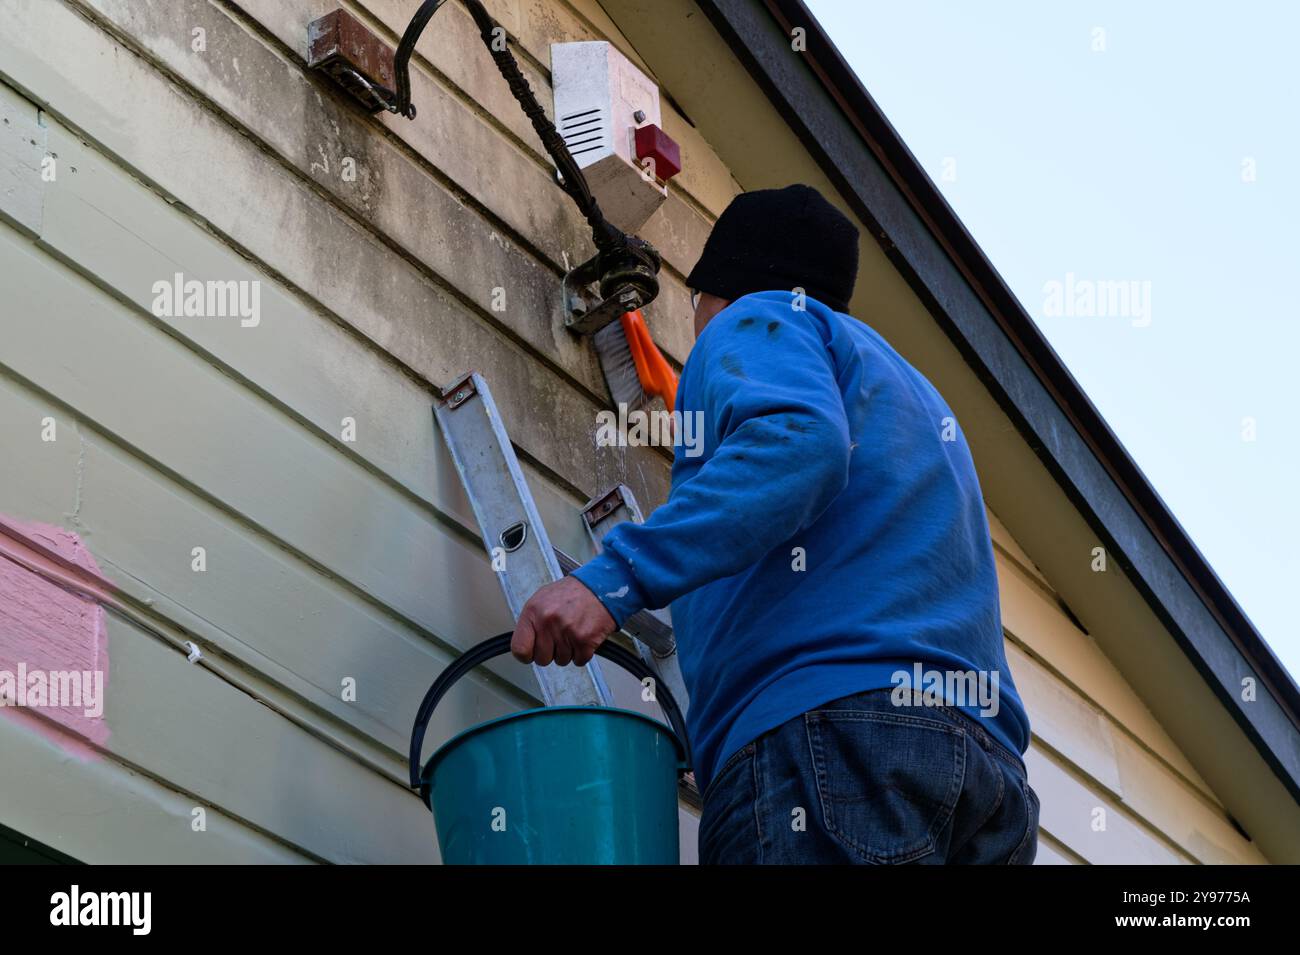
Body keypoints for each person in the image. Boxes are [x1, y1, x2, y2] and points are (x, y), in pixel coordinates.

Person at [510, 183, 1038, 864]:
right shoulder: (906, 390)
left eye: (696, 303)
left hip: (838, 741)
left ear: (718, 291)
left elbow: (800, 446)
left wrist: (610, 580)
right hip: (985, 781)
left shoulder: (755, 319)